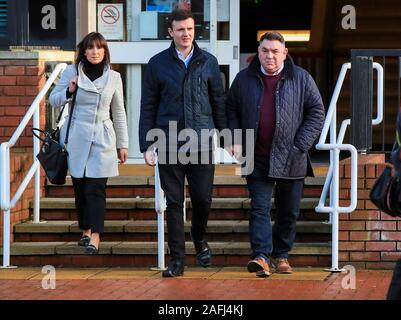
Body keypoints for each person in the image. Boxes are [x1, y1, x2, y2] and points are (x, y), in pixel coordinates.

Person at [226, 31, 325, 277]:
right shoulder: (243, 79)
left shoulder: (301, 78)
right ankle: (260, 257)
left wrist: (299, 145)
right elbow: (231, 110)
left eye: (274, 51)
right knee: (259, 207)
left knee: (288, 210)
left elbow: (316, 113)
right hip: (255, 156)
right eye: (264, 50)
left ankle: (281, 255)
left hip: (292, 157)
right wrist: (235, 139)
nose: (269, 56)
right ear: (257, 52)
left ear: (284, 53)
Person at [139, 8, 226, 277]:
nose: (186, 34)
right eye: (180, 29)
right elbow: (148, 105)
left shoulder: (209, 62)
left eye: (189, 29)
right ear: (171, 32)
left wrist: (227, 138)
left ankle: (199, 238)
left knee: (202, 199)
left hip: (201, 143)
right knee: (174, 203)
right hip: (168, 142)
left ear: (194, 30)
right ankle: (177, 260)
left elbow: (218, 103)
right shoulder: (157, 63)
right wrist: (147, 144)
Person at [49, 32, 129, 255]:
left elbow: (119, 112)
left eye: (99, 48)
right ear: (83, 51)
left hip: (102, 137)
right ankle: (85, 229)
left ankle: (95, 235)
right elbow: (53, 99)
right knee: (81, 188)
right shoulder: (71, 72)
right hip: (76, 135)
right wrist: (69, 90)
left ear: (105, 52)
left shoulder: (114, 77)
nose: (95, 52)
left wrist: (123, 144)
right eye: (90, 48)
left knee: (96, 188)